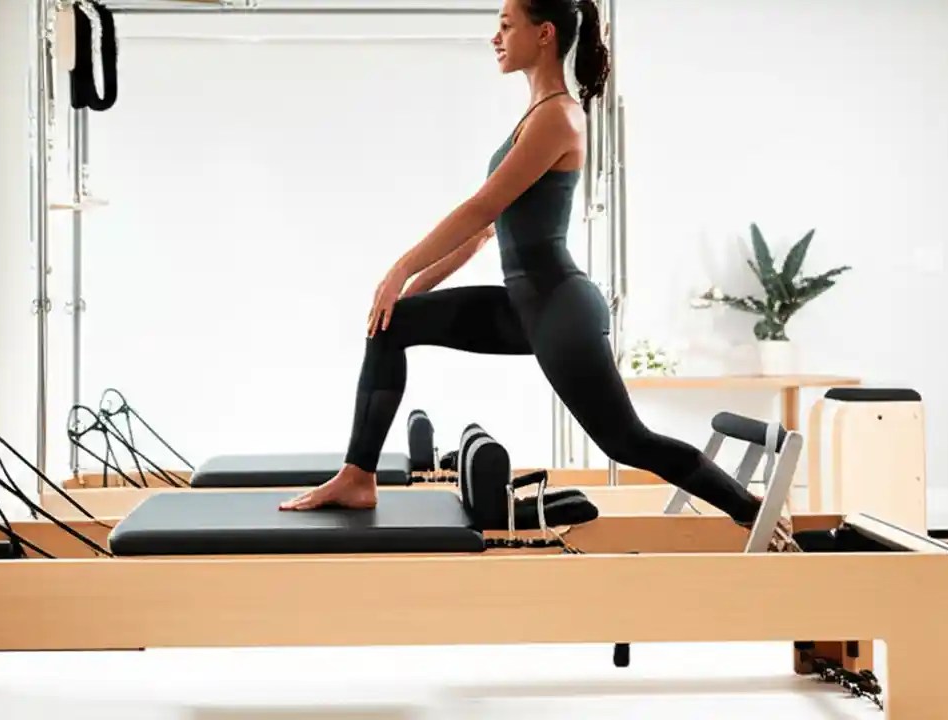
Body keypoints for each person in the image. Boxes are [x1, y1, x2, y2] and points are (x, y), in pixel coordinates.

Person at [280, 0, 800, 552]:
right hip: (524, 303)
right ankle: (357, 477)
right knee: (391, 326)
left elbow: (480, 207)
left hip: (559, 308)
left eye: (507, 25)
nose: (495, 38)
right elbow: (485, 232)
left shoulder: (558, 117)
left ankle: (754, 511)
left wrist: (398, 269)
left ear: (544, 33)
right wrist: (410, 294)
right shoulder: (533, 117)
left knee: (626, 440)